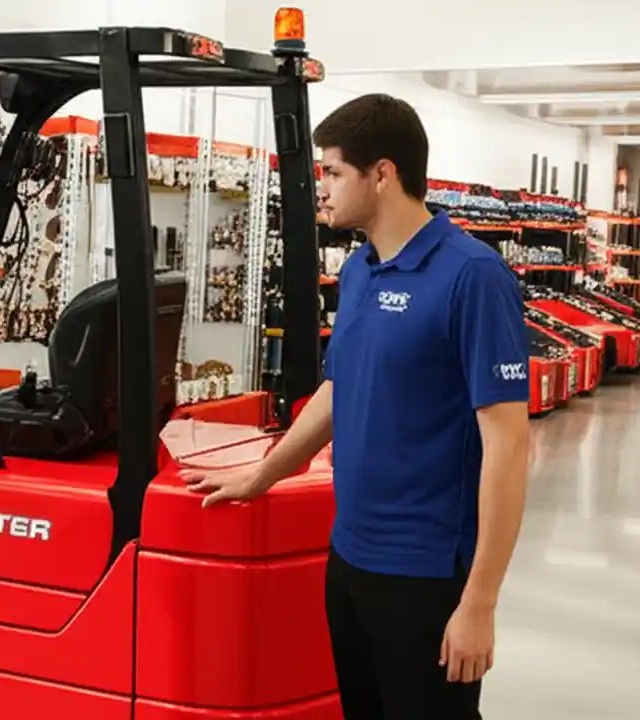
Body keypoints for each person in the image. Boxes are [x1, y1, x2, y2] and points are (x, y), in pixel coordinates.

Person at [183, 94, 530, 719]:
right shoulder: (360, 271)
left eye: (334, 171)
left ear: (383, 174)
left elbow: (508, 446)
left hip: (426, 575)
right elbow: (338, 390)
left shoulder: (473, 276)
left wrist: (479, 603)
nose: (322, 187)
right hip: (349, 559)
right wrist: (264, 474)